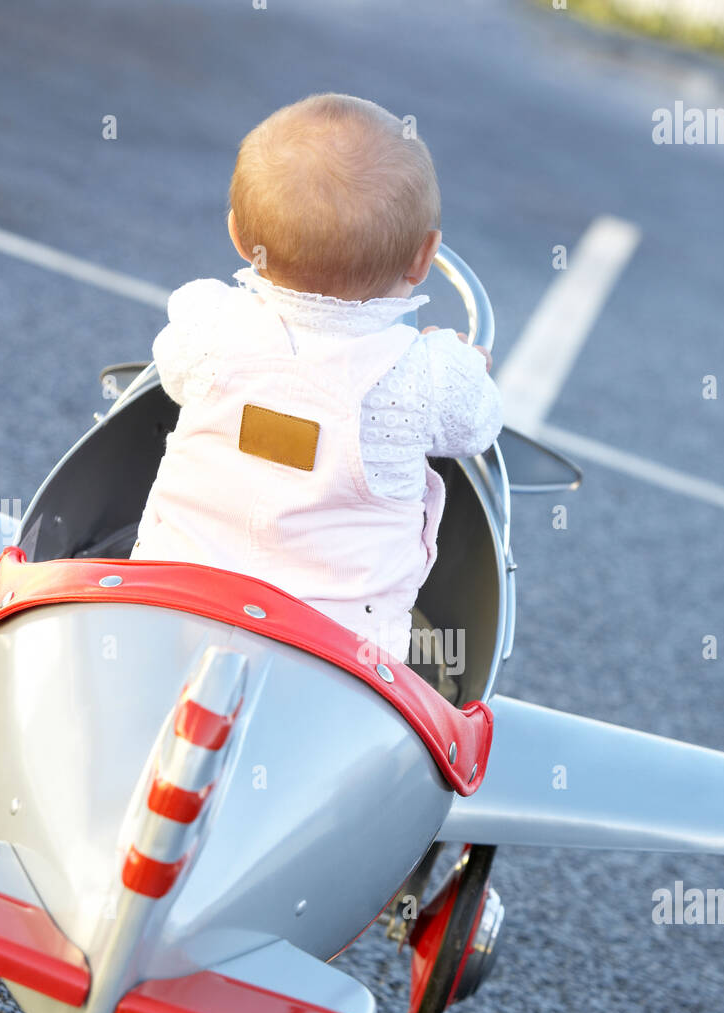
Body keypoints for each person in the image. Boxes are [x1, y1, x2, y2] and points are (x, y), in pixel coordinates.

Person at [133, 92, 502, 664]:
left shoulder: (211, 324)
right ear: (425, 256)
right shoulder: (427, 376)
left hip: (162, 606)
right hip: (337, 657)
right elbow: (477, 426)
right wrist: (465, 365)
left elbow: (176, 375)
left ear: (238, 236)